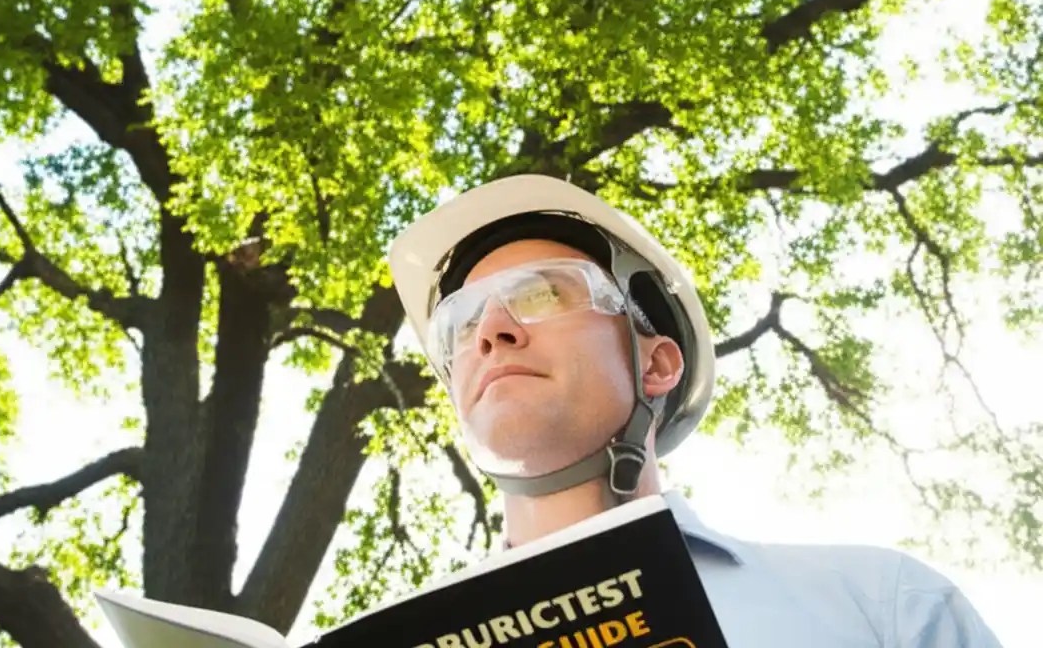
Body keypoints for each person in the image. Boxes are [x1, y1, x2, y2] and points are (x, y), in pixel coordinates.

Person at [386, 173, 1003, 647]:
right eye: (462, 325)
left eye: (544, 293)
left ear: (656, 364)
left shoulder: (881, 607)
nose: (492, 330)